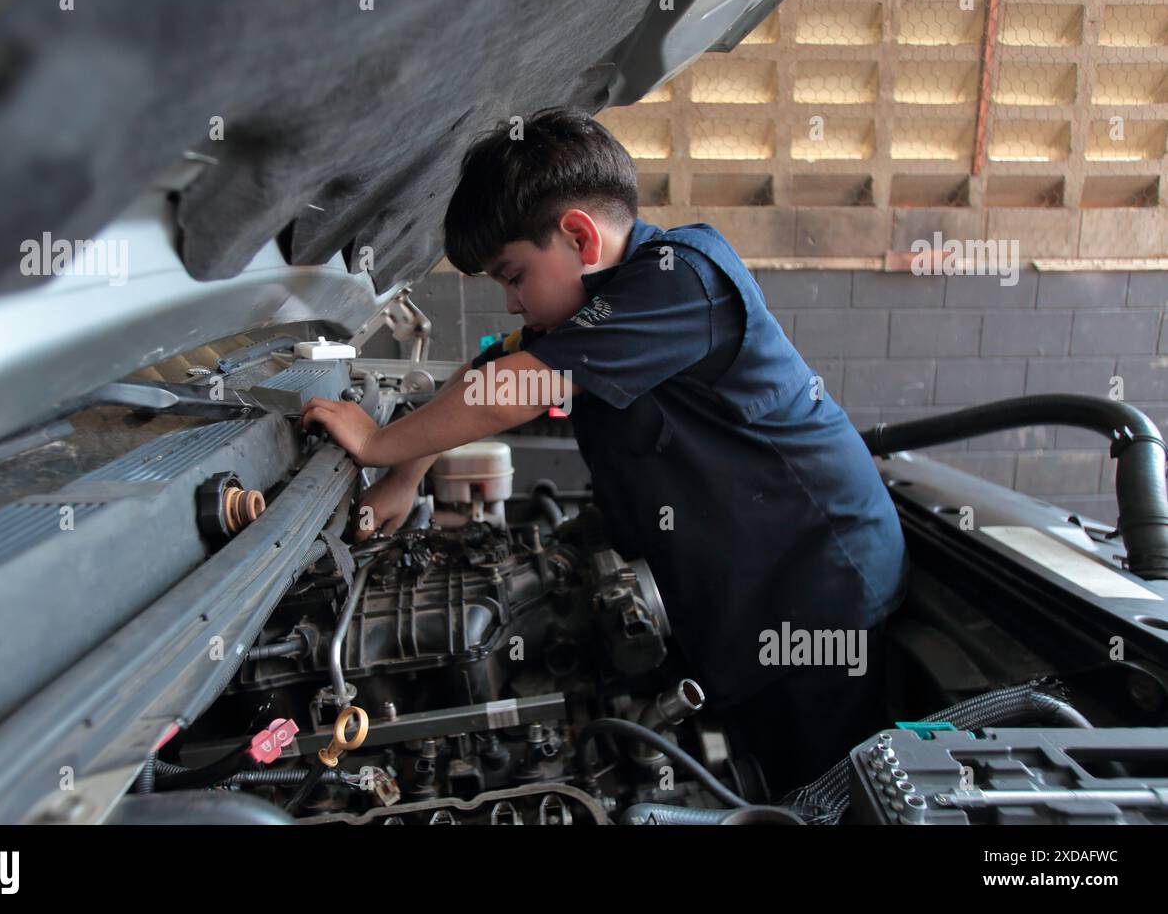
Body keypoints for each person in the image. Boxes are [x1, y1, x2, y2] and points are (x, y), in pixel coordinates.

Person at [300, 107, 908, 795]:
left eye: (513, 274)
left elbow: (508, 392)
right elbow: (487, 371)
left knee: (820, 792)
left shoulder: (683, 277)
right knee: (756, 771)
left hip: (816, 588)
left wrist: (377, 442)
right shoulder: (588, 311)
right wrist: (405, 476)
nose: (510, 302)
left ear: (579, 236)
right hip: (737, 590)